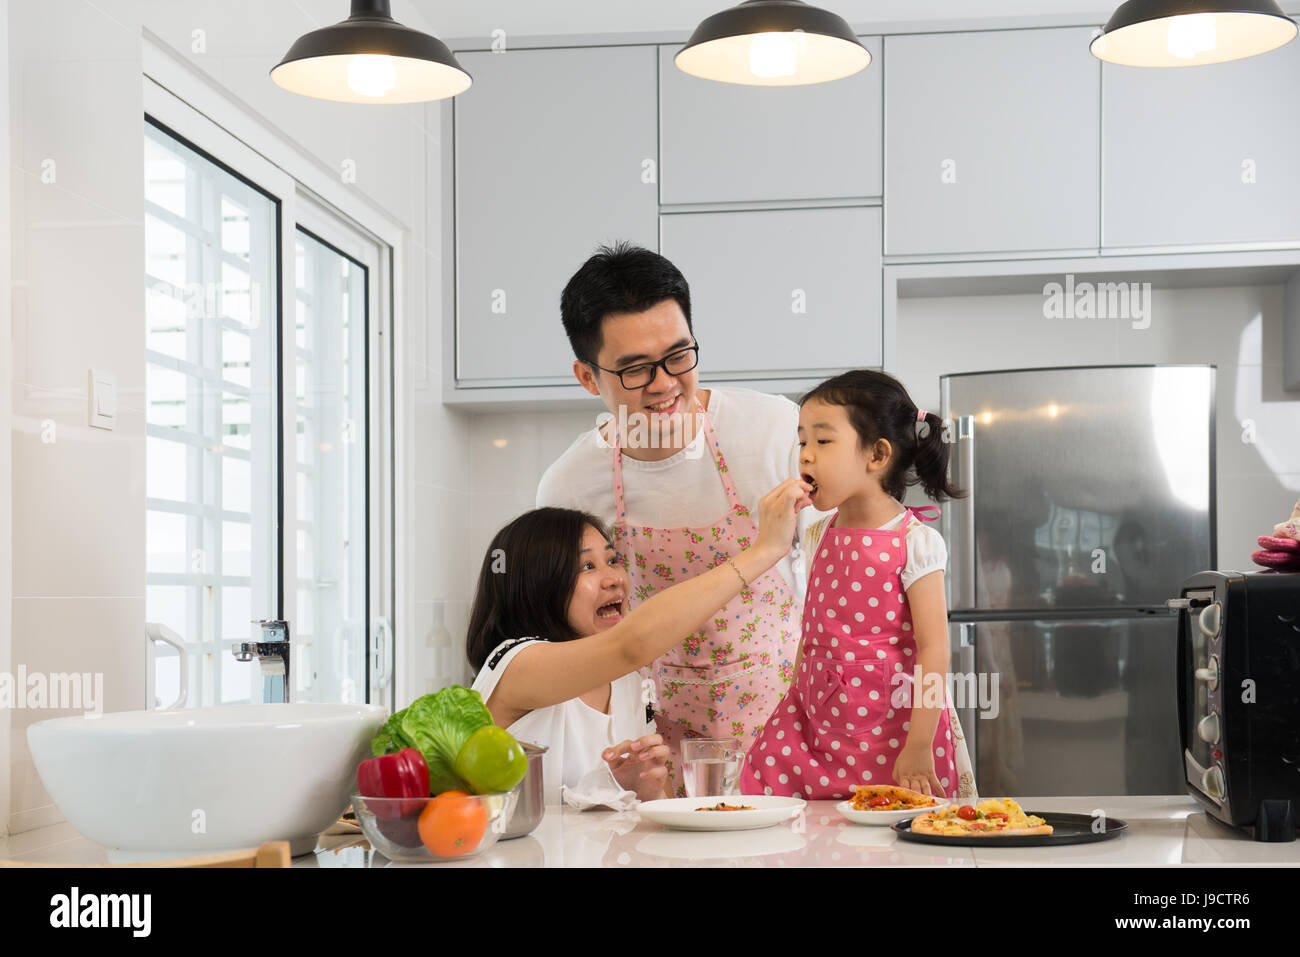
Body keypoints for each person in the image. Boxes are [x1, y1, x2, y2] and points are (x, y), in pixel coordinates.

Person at [536, 241, 827, 796]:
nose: (666, 383)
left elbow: (843, 558)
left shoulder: (774, 429)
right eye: (635, 369)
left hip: (788, 716)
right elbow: (566, 633)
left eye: (678, 355)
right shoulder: (569, 485)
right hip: (653, 740)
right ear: (587, 376)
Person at [467, 479, 809, 806]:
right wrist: (764, 550)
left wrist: (644, 791)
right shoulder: (515, 664)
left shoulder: (629, 683)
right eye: (587, 566)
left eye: (613, 560)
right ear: (537, 585)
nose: (614, 579)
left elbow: (640, 814)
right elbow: (630, 644)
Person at [742, 370, 977, 801]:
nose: (806, 457)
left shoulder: (915, 542)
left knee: (898, 832)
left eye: (823, 441)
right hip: (819, 720)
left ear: (877, 455)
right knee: (776, 801)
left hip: (896, 731)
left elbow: (934, 649)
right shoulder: (815, 532)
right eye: (803, 442)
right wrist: (798, 698)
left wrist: (919, 745)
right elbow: (812, 632)